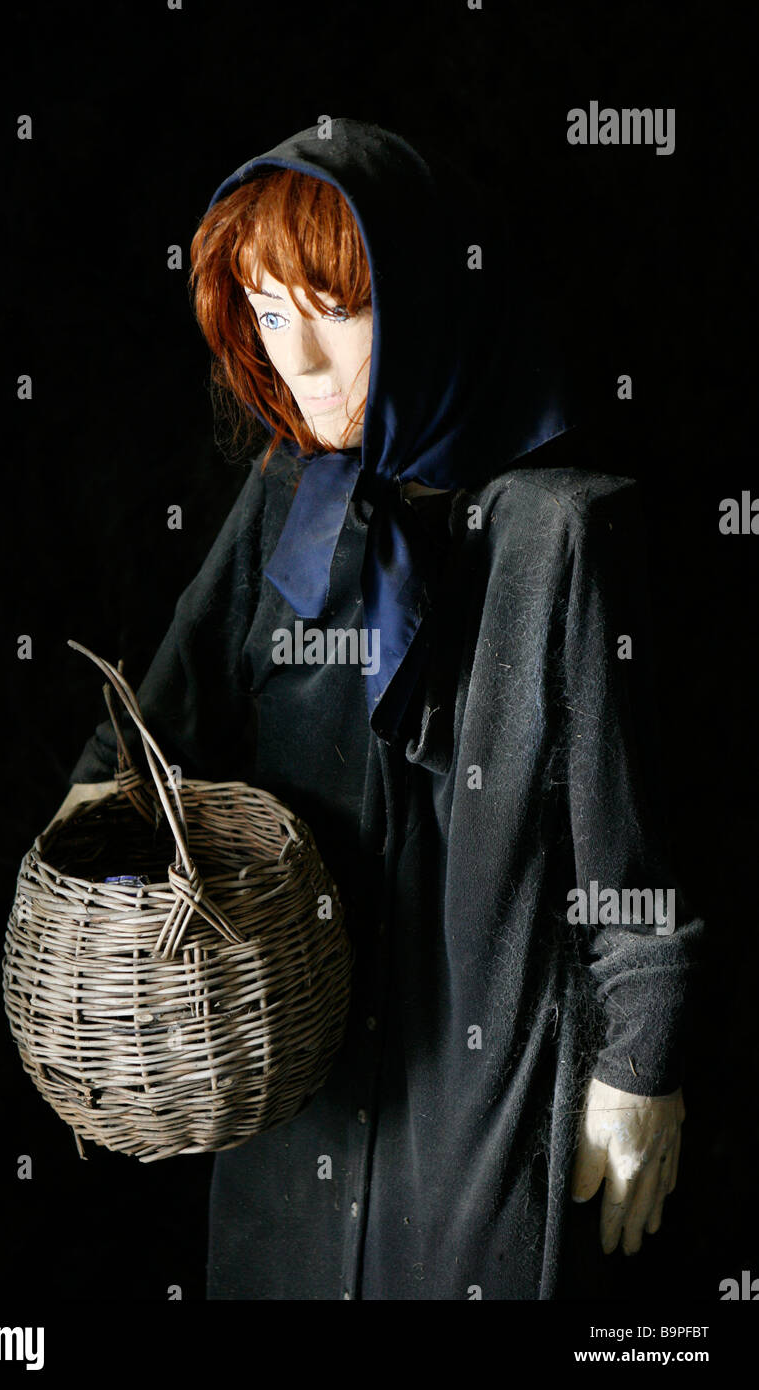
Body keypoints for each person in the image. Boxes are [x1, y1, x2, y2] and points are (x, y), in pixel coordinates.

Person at [52, 118, 701, 1300]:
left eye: (329, 309)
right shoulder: (286, 498)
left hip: (476, 1076)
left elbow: (626, 847)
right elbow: (153, 723)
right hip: (291, 1056)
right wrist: (90, 850)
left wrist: (638, 1063)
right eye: (261, 309)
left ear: (424, 301)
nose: (290, 357)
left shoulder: (560, 531)